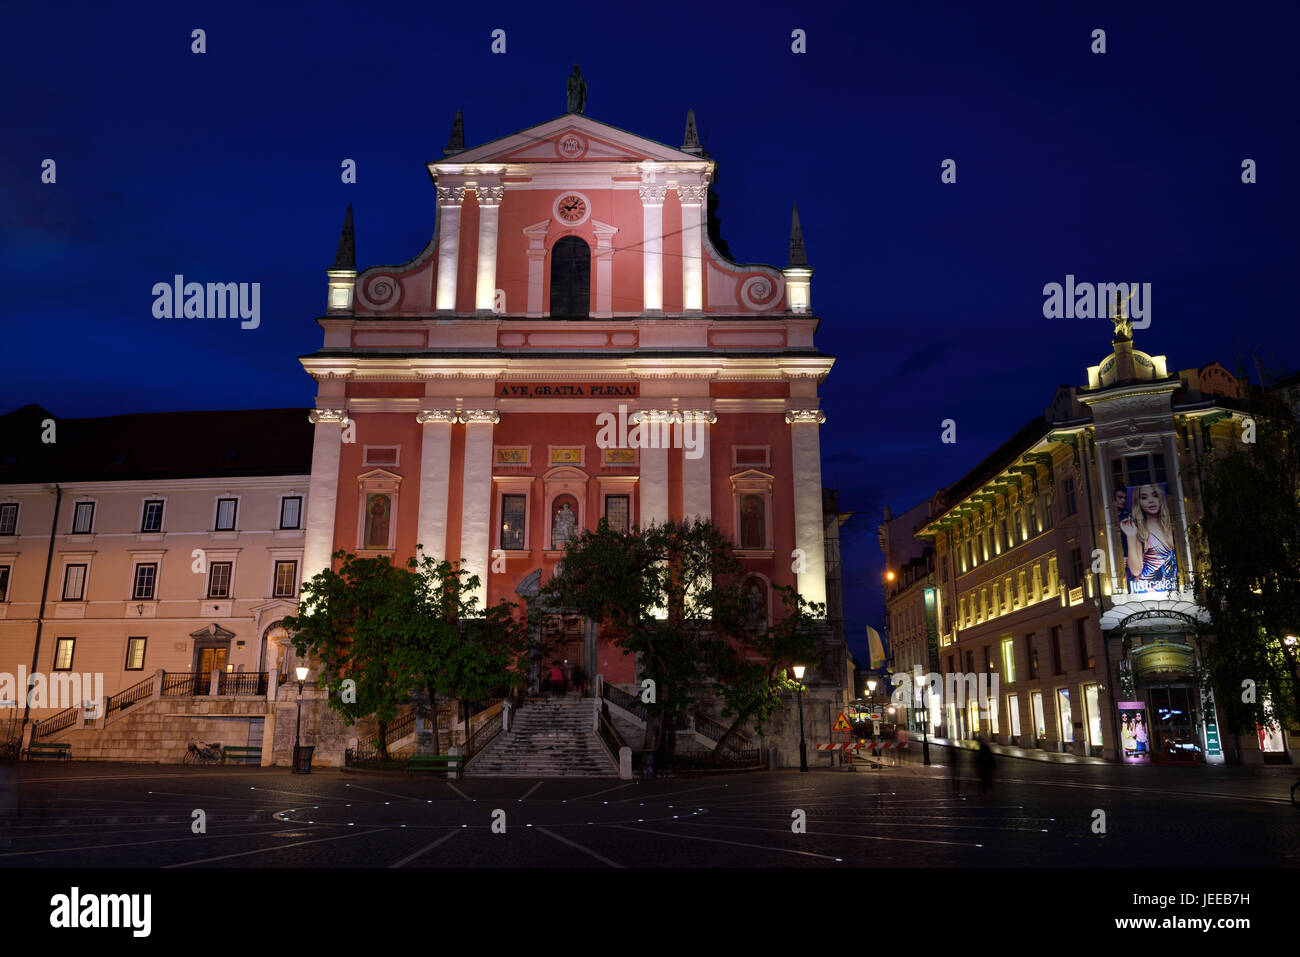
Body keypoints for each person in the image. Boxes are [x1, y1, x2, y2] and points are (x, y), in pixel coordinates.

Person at [1119, 484, 1178, 593]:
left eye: (1155, 495)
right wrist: (1131, 536)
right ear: (1139, 502)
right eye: (1144, 497)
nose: (1151, 501)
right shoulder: (1139, 529)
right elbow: (1136, 571)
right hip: (1146, 586)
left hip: (1169, 584)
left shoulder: (1170, 524)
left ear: (1160, 497)